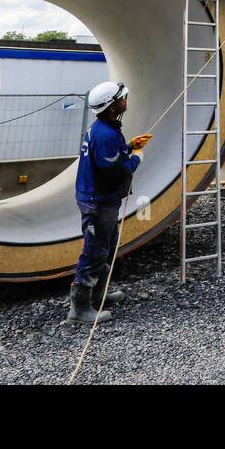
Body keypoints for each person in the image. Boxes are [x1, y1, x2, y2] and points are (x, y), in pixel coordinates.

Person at [66, 81, 152, 325]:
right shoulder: (105, 135)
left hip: (102, 200)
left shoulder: (104, 129)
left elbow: (106, 157)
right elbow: (115, 170)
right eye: (122, 98)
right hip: (98, 202)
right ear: (113, 107)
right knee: (95, 252)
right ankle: (80, 309)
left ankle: (98, 295)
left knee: (107, 247)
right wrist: (136, 159)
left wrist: (128, 146)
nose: (126, 100)